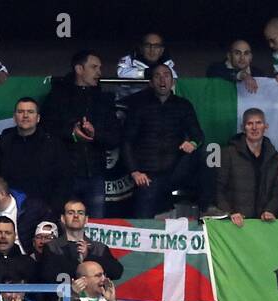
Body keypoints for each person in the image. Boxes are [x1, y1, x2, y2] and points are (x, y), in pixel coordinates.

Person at [121, 64, 211, 218]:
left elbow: (198, 135)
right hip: (148, 175)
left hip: (175, 171)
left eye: (166, 75)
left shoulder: (183, 105)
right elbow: (126, 141)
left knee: (206, 154)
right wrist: (135, 172)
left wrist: (193, 144)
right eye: (157, 76)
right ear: (151, 82)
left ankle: (208, 208)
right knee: (142, 223)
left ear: (173, 82)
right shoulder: (139, 106)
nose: (162, 79)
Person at [41, 52, 120, 218]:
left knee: (97, 228)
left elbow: (115, 137)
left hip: (95, 175)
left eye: (100, 68)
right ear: (79, 68)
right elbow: (46, 130)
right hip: (65, 175)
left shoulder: (104, 101)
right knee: (65, 226)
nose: (99, 72)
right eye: (94, 67)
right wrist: (72, 133)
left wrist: (94, 134)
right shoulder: (57, 97)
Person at [217, 108, 278, 225]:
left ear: (266, 127)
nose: (254, 128)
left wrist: (270, 210)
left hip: (265, 224)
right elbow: (217, 189)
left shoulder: (276, 158)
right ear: (243, 127)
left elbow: (277, 191)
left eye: (259, 123)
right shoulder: (227, 154)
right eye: (249, 123)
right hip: (235, 225)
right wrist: (230, 212)